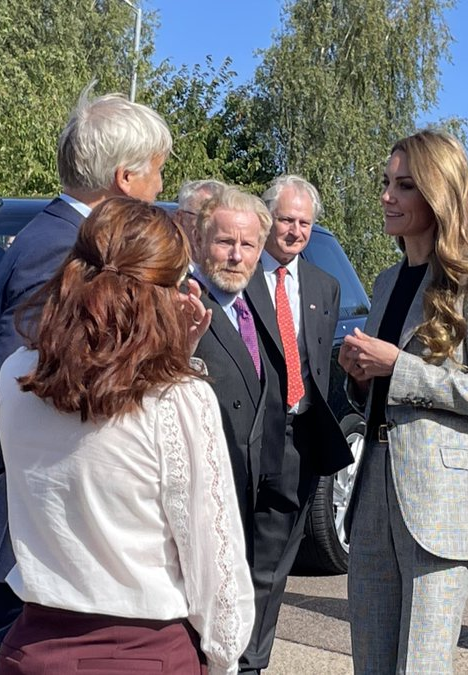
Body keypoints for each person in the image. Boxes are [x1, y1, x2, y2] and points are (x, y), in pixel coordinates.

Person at [0, 85, 182, 637]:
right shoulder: (67, 254)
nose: (161, 189)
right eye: (157, 173)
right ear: (124, 180)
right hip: (32, 534)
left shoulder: (51, 234)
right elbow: (3, 394)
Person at [0, 197, 253, 675]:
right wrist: (224, 658)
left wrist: (174, 357)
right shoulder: (177, 399)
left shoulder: (15, 376)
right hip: (142, 652)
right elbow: (213, 557)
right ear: (166, 293)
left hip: (33, 647)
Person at [337, 129, 468, 674]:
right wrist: (361, 378)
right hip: (374, 491)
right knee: (370, 660)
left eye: (405, 185)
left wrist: (400, 368)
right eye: (387, 183)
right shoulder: (387, 280)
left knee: (422, 665)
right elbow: (382, 383)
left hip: (441, 500)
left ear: (439, 195)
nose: (388, 196)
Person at [240, 174, 353, 671]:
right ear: (267, 220)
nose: (295, 231)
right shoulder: (237, 276)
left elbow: (319, 366)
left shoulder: (324, 286)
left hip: (299, 439)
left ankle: (252, 661)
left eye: (305, 222)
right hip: (244, 438)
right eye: (287, 220)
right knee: (239, 555)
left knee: (275, 563)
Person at [188, 185, 293, 673]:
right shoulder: (180, 306)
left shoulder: (261, 303)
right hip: (204, 501)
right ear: (199, 240)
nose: (235, 255)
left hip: (260, 495)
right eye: (224, 242)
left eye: (248, 245)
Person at [176, 178, 226, 253]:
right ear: (181, 218)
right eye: (204, 216)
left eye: (223, 219)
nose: (214, 226)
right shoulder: (163, 261)